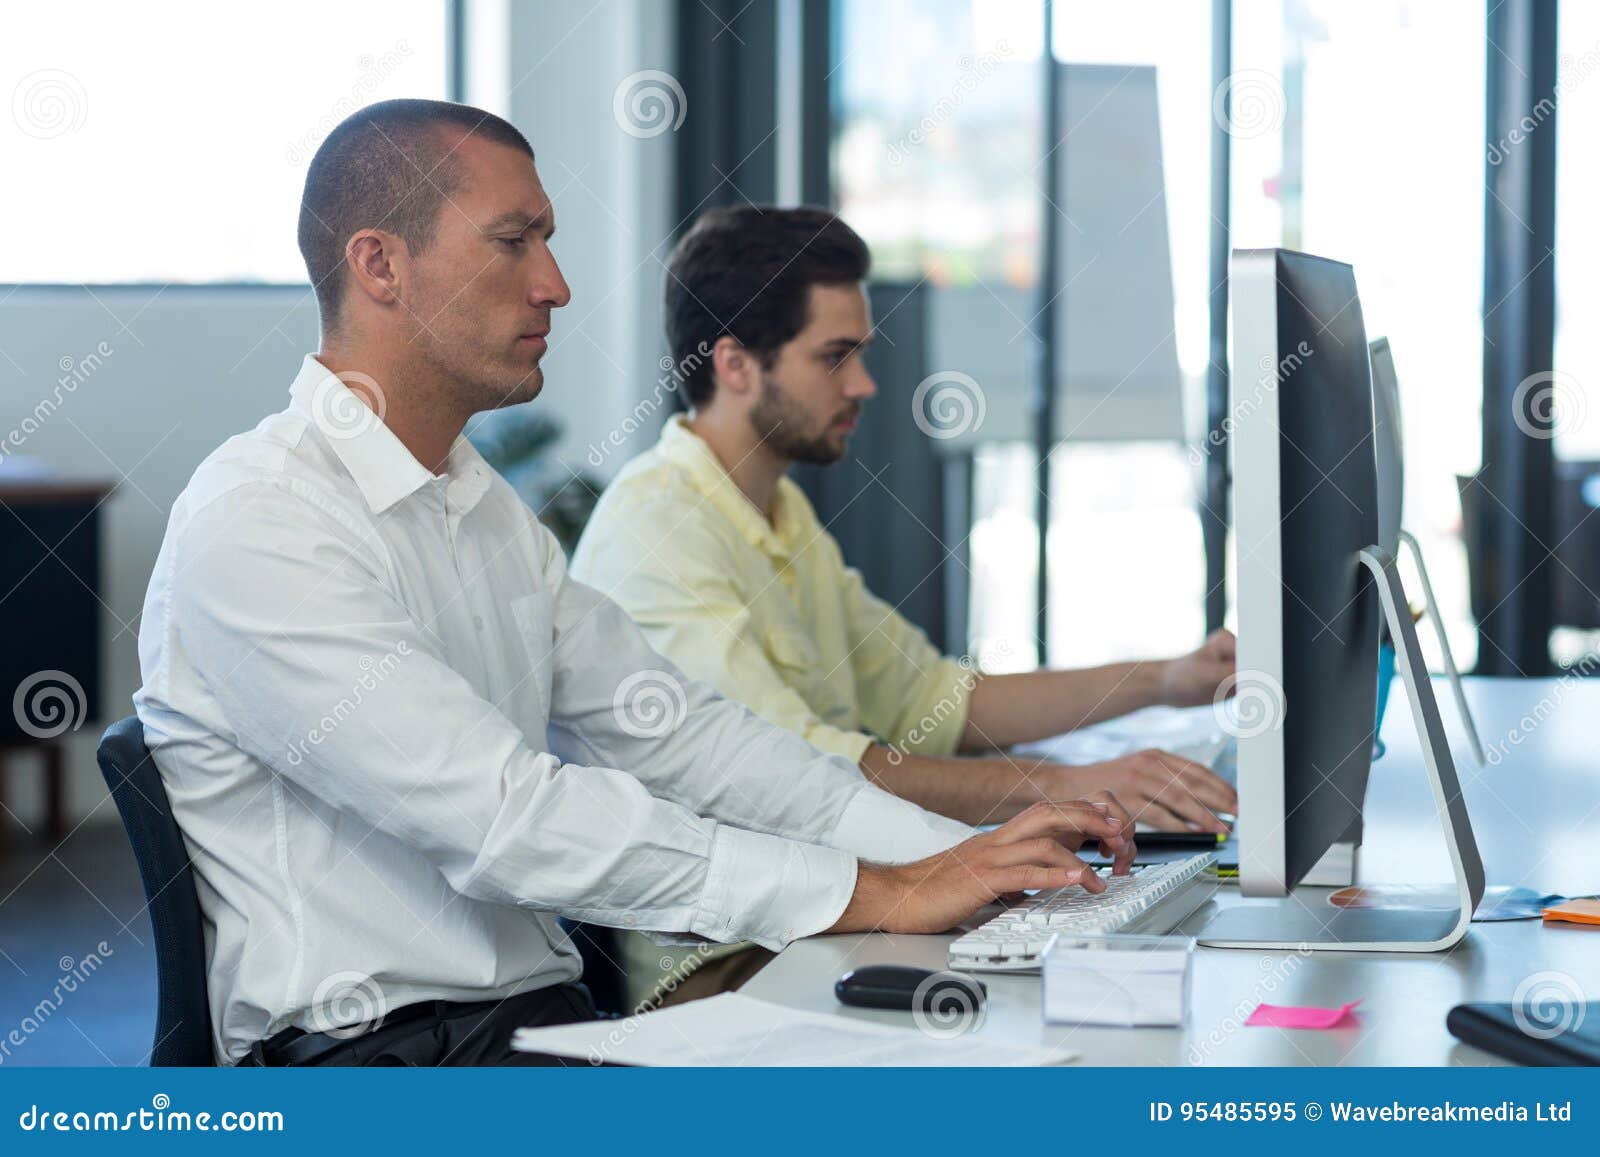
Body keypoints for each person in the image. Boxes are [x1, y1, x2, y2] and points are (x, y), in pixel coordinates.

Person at [134, 101, 1136, 1066]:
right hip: (388, 1062)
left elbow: (686, 736)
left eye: (551, 241)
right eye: (513, 241)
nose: (556, 284)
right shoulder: (262, 520)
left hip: (532, 1031)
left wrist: (962, 862)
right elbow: (506, 818)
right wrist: (870, 891)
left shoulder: (476, 510)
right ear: (381, 264)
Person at [571, 206, 1237, 1007]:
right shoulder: (658, 528)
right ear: (737, 364)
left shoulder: (777, 514)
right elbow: (798, 773)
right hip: (734, 966)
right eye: (835, 357)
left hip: (852, 915)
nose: (864, 384)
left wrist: (1168, 677)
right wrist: (1070, 786)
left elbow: (940, 700)